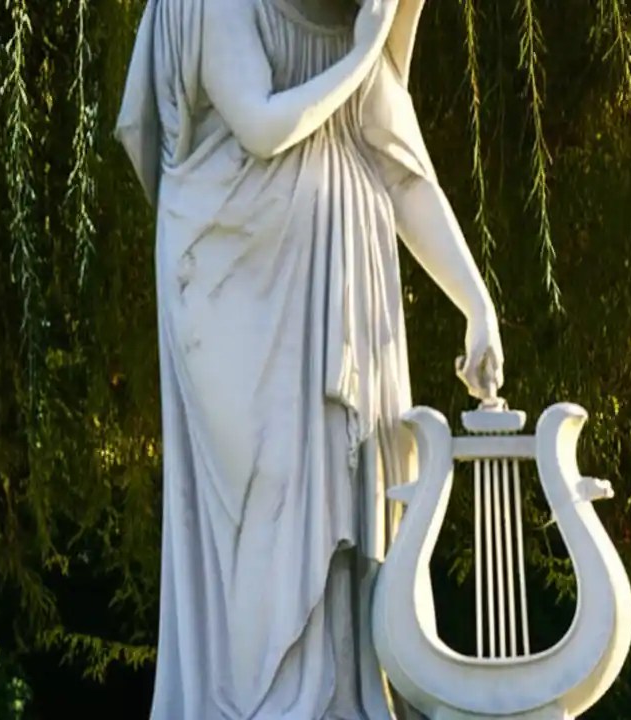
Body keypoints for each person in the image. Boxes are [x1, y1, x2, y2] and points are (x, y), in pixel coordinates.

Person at [115, 0, 504, 717]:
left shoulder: (356, 14)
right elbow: (262, 128)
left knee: (355, 500)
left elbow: (404, 174)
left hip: (348, 309)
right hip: (240, 295)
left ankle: (342, 702)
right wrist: (360, 55)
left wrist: (477, 304)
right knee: (274, 494)